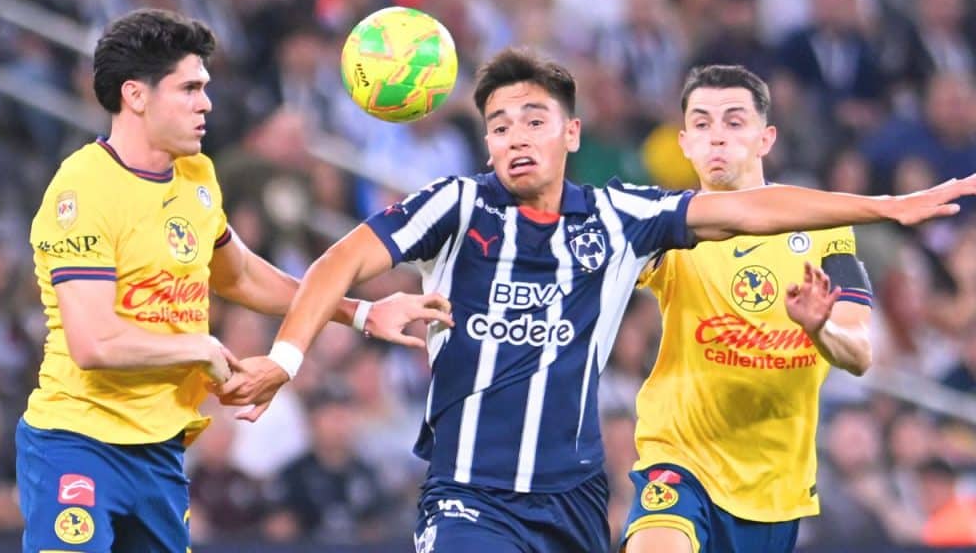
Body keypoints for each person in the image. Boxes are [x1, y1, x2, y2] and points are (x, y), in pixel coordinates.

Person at [219, 48, 976, 553]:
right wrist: (288, 356)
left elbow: (752, 214)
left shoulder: (621, 218)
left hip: (580, 500)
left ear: (572, 133)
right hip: (474, 492)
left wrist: (886, 208)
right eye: (499, 125)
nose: (516, 137)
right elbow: (338, 262)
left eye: (535, 121)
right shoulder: (454, 203)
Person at [15, 8, 452, 553]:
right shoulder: (82, 191)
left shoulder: (196, 177)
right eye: (190, 88)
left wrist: (357, 312)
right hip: (78, 442)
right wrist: (198, 347)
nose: (207, 104)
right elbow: (94, 342)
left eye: (206, 88)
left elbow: (240, 274)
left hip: (160, 450)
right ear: (136, 95)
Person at [621, 64, 882, 553]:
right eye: (702, 124)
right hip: (680, 462)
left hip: (776, 488)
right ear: (684, 143)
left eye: (734, 122)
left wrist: (820, 328)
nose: (716, 136)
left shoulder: (826, 230)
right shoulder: (664, 227)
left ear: (766, 138)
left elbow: (860, 353)